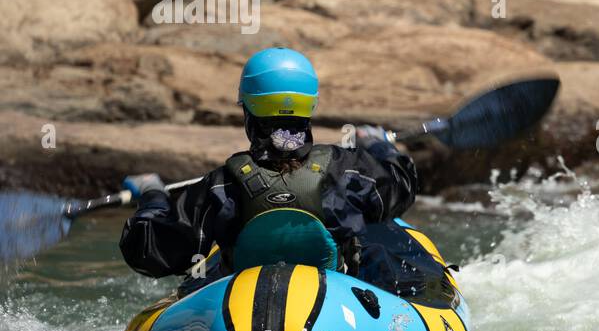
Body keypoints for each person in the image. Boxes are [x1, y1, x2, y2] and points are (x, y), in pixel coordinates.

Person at [119, 48, 424, 290]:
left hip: (242, 310)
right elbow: (402, 185)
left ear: (248, 112)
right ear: (310, 108)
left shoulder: (221, 185)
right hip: (332, 305)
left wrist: (152, 195)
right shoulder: (348, 171)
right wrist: (378, 144)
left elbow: (152, 253)